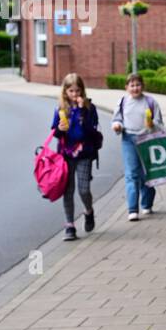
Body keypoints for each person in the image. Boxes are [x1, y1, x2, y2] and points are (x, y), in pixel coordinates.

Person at [51, 72, 100, 241]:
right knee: (68, 190)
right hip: (66, 155)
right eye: (71, 91)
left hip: (84, 153)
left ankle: (88, 211)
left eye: (77, 91)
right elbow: (55, 133)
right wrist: (59, 129)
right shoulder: (60, 109)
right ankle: (69, 225)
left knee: (84, 189)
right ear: (65, 92)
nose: (75, 95)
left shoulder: (89, 108)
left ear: (82, 91)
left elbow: (91, 130)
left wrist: (81, 111)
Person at [112, 72, 164, 220]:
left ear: (143, 86)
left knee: (146, 174)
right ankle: (132, 209)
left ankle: (147, 203)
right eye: (132, 85)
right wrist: (117, 126)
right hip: (128, 139)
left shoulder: (150, 102)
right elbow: (117, 119)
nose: (135, 88)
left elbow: (160, 124)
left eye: (138, 85)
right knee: (131, 174)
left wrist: (152, 124)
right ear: (126, 87)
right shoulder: (122, 102)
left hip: (147, 139)